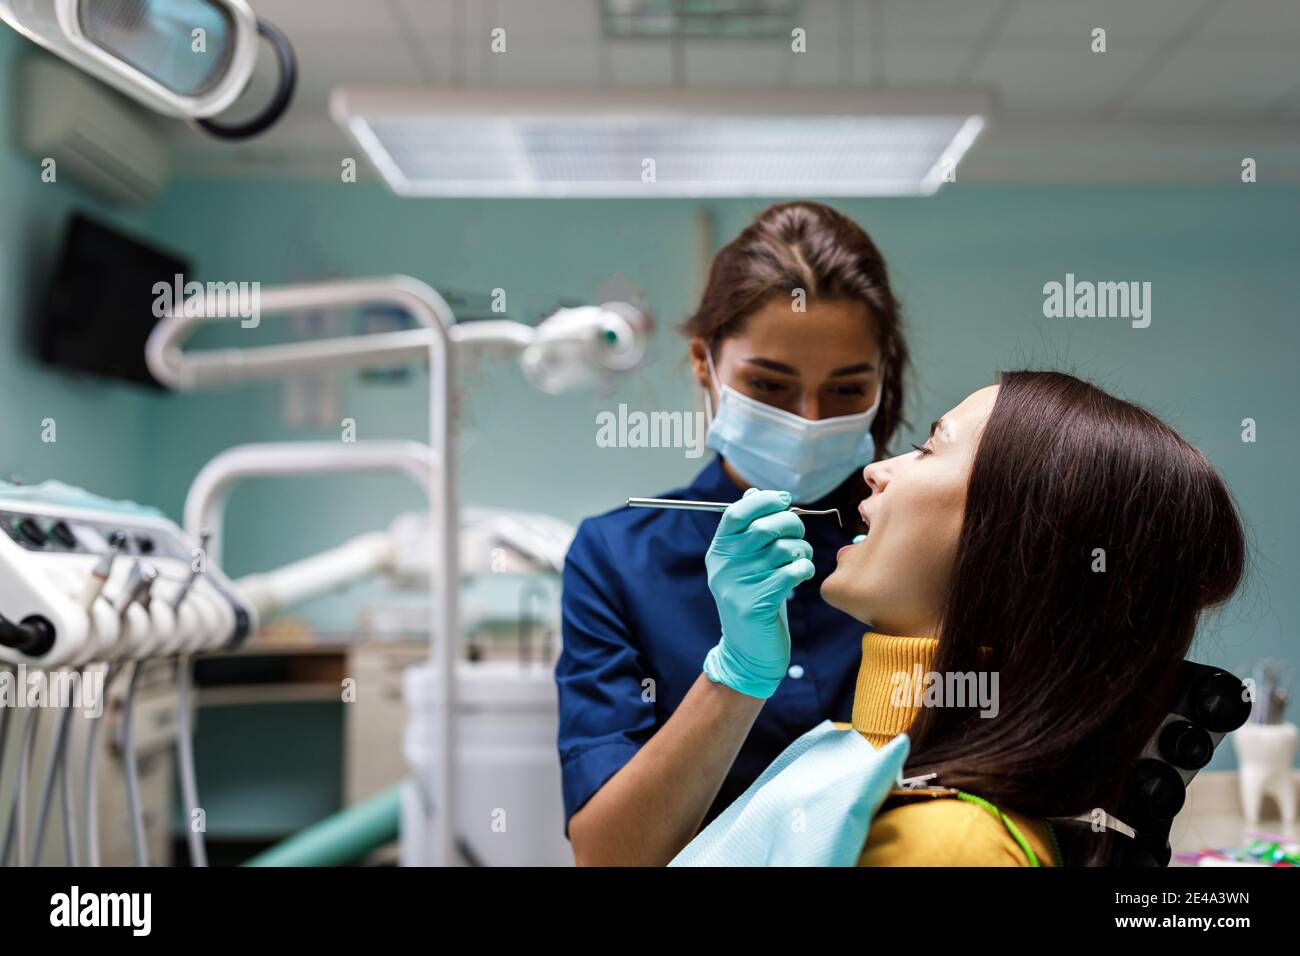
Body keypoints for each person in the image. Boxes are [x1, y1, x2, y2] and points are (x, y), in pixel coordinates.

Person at [696, 370, 1245, 865]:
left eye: (929, 449)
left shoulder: (948, 843)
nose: (875, 471)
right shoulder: (857, 757)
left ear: (1017, 546)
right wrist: (735, 672)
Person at [557, 201, 911, 865]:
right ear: (703, 362)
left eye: (845, 390)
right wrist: (737, 676)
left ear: (883, 375)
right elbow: (608, 856)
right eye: (770, 386)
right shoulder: (618, 558)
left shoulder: (924, 535)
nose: (808, 421)